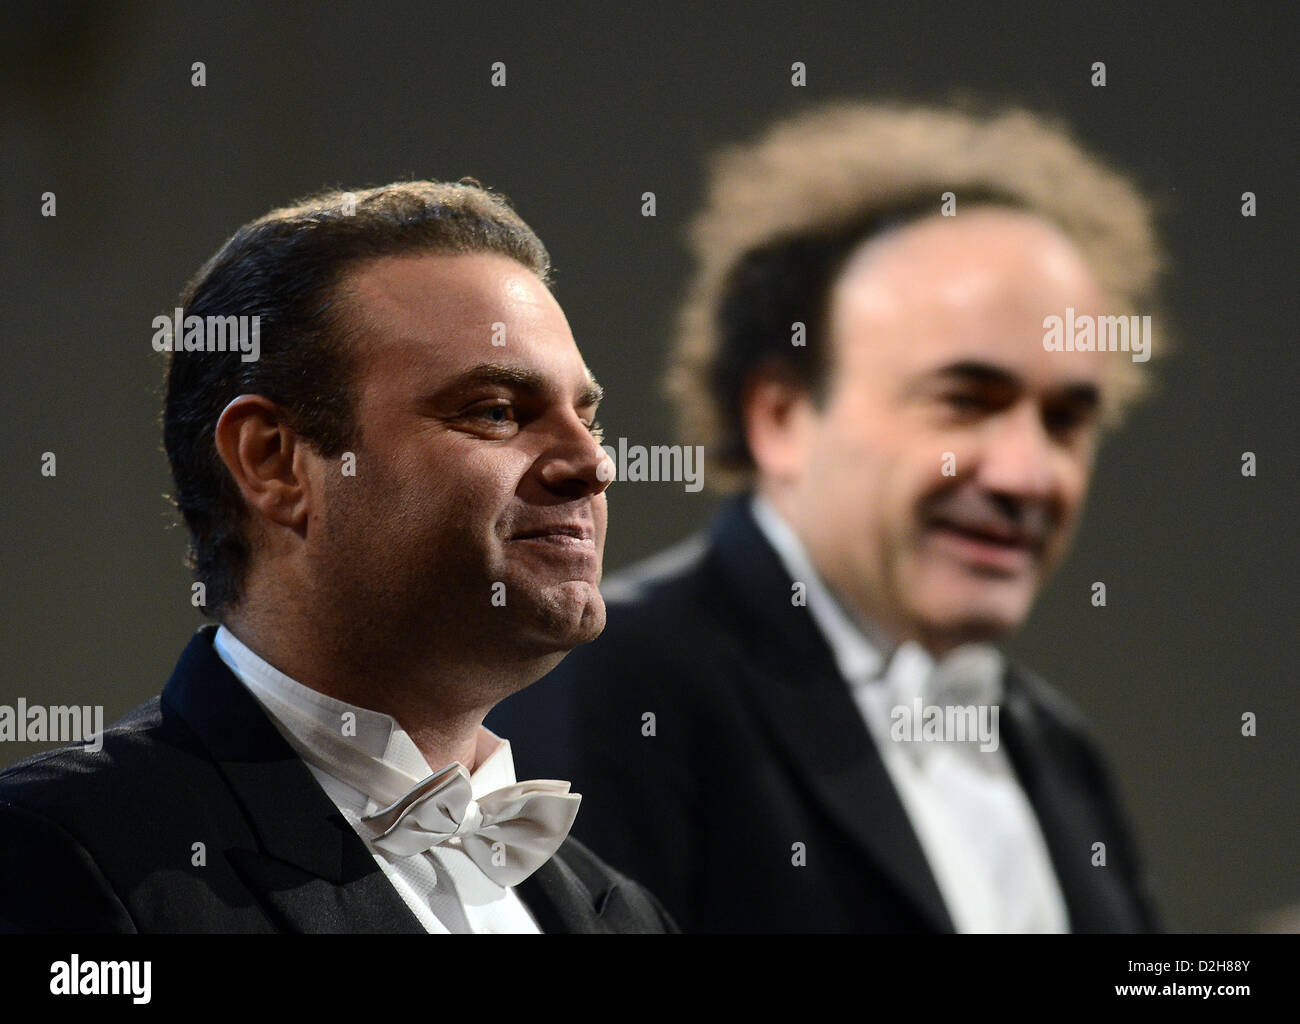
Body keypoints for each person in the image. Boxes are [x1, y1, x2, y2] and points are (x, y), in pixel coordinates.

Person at [490, 101, 1165, 933]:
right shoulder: (611, 688)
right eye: (964, 401)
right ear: (781, 416)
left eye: (1065, 421)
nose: (1029, 474)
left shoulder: (1055, 744)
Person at [0, 181, 676, 934]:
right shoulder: (58, 858)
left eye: (589, 418)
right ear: (273, 462)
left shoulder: (622, 915)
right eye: (496, 411)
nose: (593, 464)